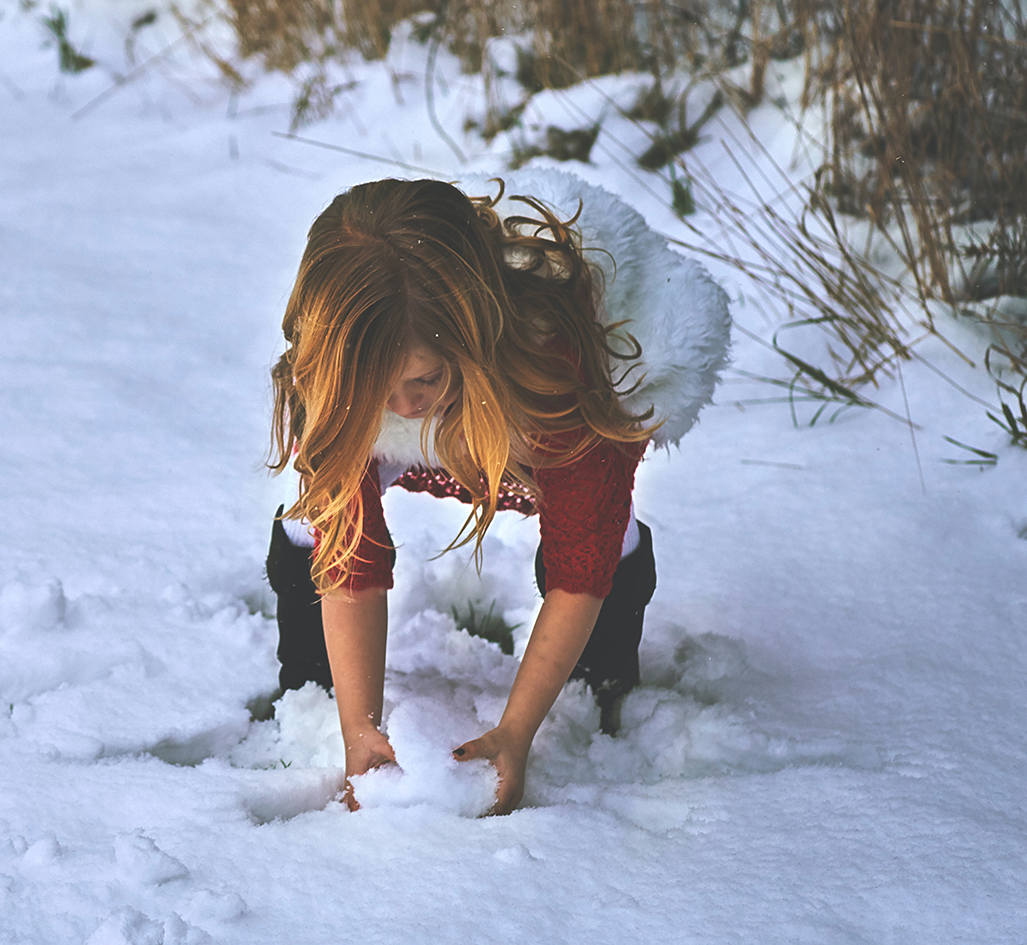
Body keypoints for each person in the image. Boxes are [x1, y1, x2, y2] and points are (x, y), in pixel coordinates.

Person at [264, 172, 730, 815]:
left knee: (600, 539)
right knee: (314, 528)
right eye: (382, 386)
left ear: (468, 336)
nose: (405, 405)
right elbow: (351, 563)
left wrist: (516, 733)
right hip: (451, 403)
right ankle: (308, 689)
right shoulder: (344, 383)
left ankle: (598, 690)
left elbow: (578, 571)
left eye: (423, 378)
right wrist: (357, 729)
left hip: (528, 416)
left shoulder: (560, 380)